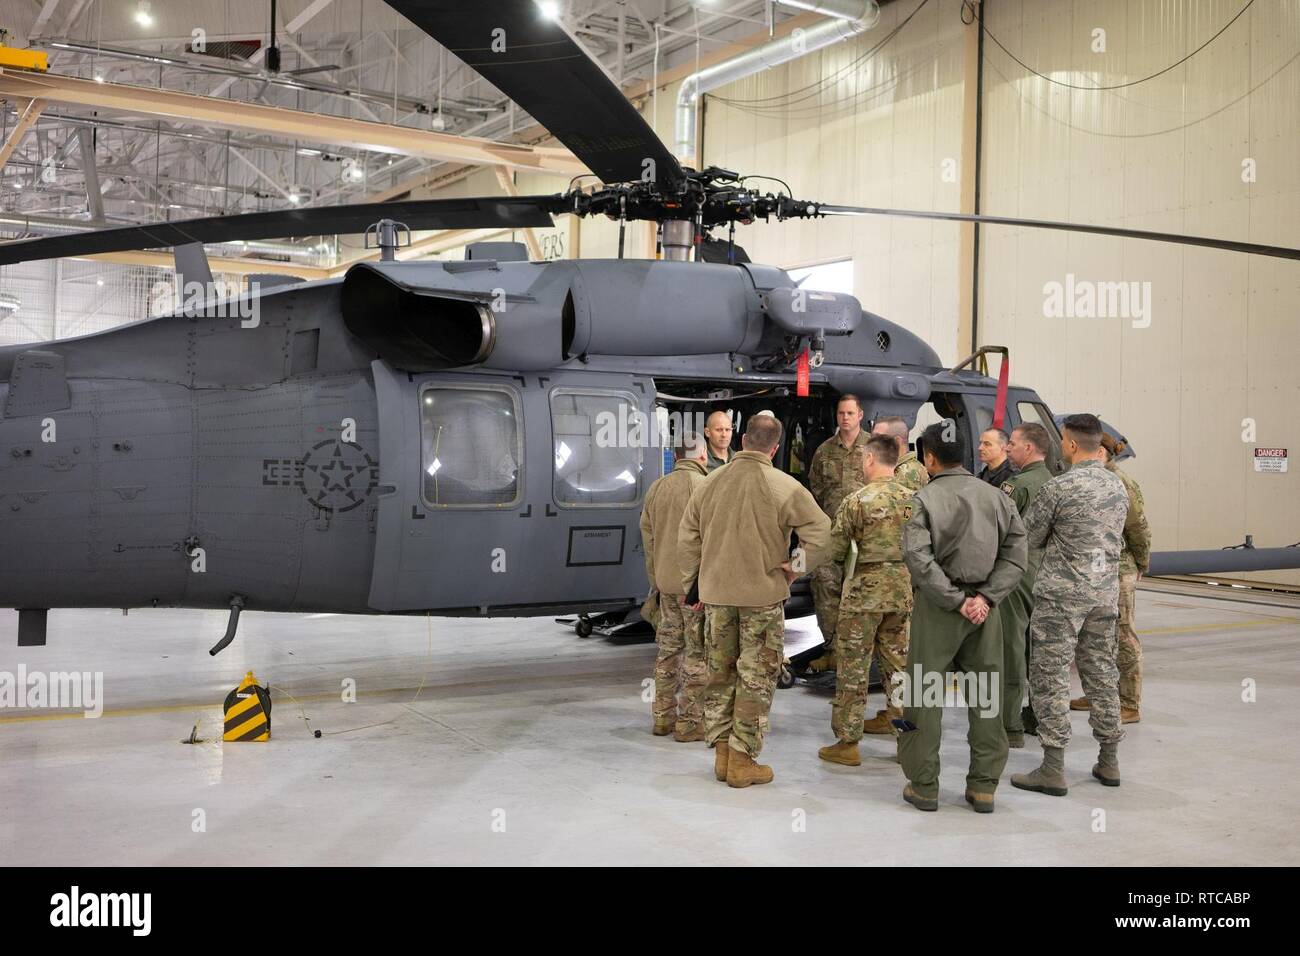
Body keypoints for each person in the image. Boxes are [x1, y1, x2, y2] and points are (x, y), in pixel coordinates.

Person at [678, 415, 831, 788]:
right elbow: (823, 534)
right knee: (756, 677)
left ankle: (722, 757)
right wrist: (794, 567)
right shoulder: (784, 485)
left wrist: (694, 586)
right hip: (761, 598)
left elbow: (687, 539)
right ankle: (743, 760)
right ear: (775, 448)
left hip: (715, 597)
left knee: (721, 674)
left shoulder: (709, 482)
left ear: (743, 439)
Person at [899, 421, 1027, 813]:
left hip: (939, 611)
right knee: (986, 696)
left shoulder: (923, 501)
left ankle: (925, 787)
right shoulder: (997, 498)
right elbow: (1016, 554)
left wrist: (954, 600)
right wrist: (985, 598)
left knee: (925, 695)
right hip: (985, 613)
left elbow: (919, 561)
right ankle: (984, 787)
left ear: (929, 458)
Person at [1011, 414, 1129, 797]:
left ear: (1072, 444)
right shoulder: (1118, 487)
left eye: (1063, 440)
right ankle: (1108, 759)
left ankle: (1053, 766)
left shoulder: (1059, 488)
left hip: (1062, 597)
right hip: (1104, 594)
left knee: (1050, 675)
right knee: (1101, 671)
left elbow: (1032, 538)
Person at [818, 434, 916, 766]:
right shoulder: (914, 500)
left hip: (863, 596)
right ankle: (908, 739)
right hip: (902, 593)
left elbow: (836, 552)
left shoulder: (857, 501)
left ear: (871, 459)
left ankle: (847, 743)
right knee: (900, 669)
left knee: (853, 669)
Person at [1071, 432, 1151, 723]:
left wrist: (1141, 562)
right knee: (1093, 637)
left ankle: (1129, 703)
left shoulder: (1122, 483)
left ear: (1101, 454)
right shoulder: (1096, 481)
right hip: (1094, 570)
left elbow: (1138, 527)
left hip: (1119, 569)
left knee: (1122, 636)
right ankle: (1098, 695)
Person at [639, 432, 710, 741]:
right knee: (697, 653)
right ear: (703, 456)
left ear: (676, 456)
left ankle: (662, 717)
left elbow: (648, 538)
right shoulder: (705, 487)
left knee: (668, 650)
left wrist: (656, 579)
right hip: (694, 588)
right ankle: (690, 722)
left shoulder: (657, 488)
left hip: (666, 584)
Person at [997, 423, 1054, 746]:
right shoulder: (1053, 483)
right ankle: (1039, 716)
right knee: (1041, 650)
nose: (1008, 448)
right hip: (1046, 575)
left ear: (1029, 449)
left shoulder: (1016, 486)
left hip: (1017, 574)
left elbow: (1000, 531)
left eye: (1013, 443)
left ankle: (1009, 725)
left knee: (1011, 649)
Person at [806, 395, 871, 670]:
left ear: (860, 415)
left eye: (849, 413)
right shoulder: (824, 451)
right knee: (824, 585)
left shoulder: (873, 447)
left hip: (867, 536)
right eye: (841, 413)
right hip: (834, 535)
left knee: (861, 591)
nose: (845, 418)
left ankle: (862, 654)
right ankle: (832, 650)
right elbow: (816, 491)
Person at [872, 415, 930, 493]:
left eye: (879, 438)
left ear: (896, 441)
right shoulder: (898, 467)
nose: (873, 443)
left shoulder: (906, 473)